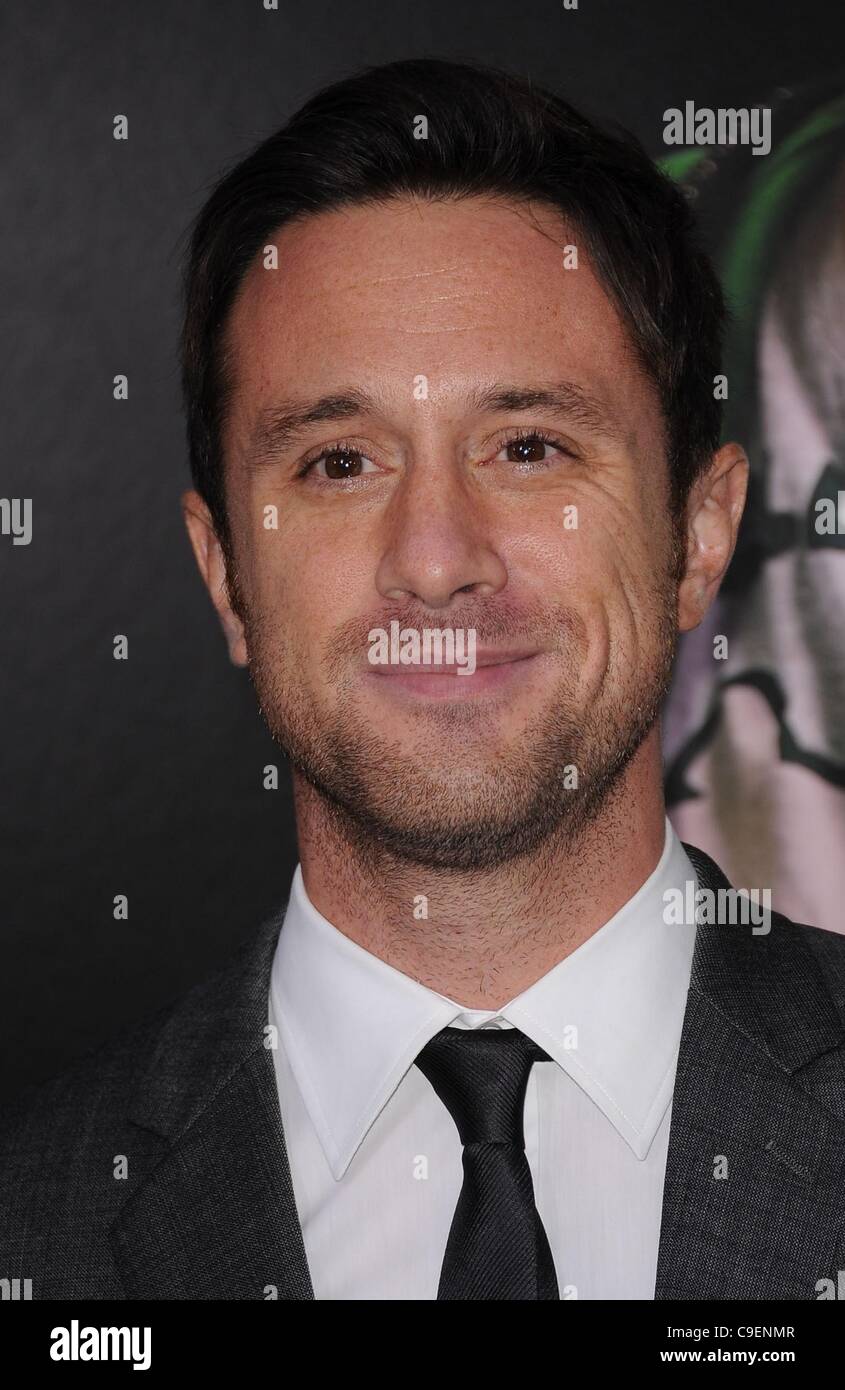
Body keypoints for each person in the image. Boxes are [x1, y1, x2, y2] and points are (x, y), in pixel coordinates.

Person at [2, 58, 844, 1302]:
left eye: (527, 445)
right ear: (224, 570)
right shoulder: (34, 1224)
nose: (436, 560)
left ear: (699, 535)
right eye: (339, 462)